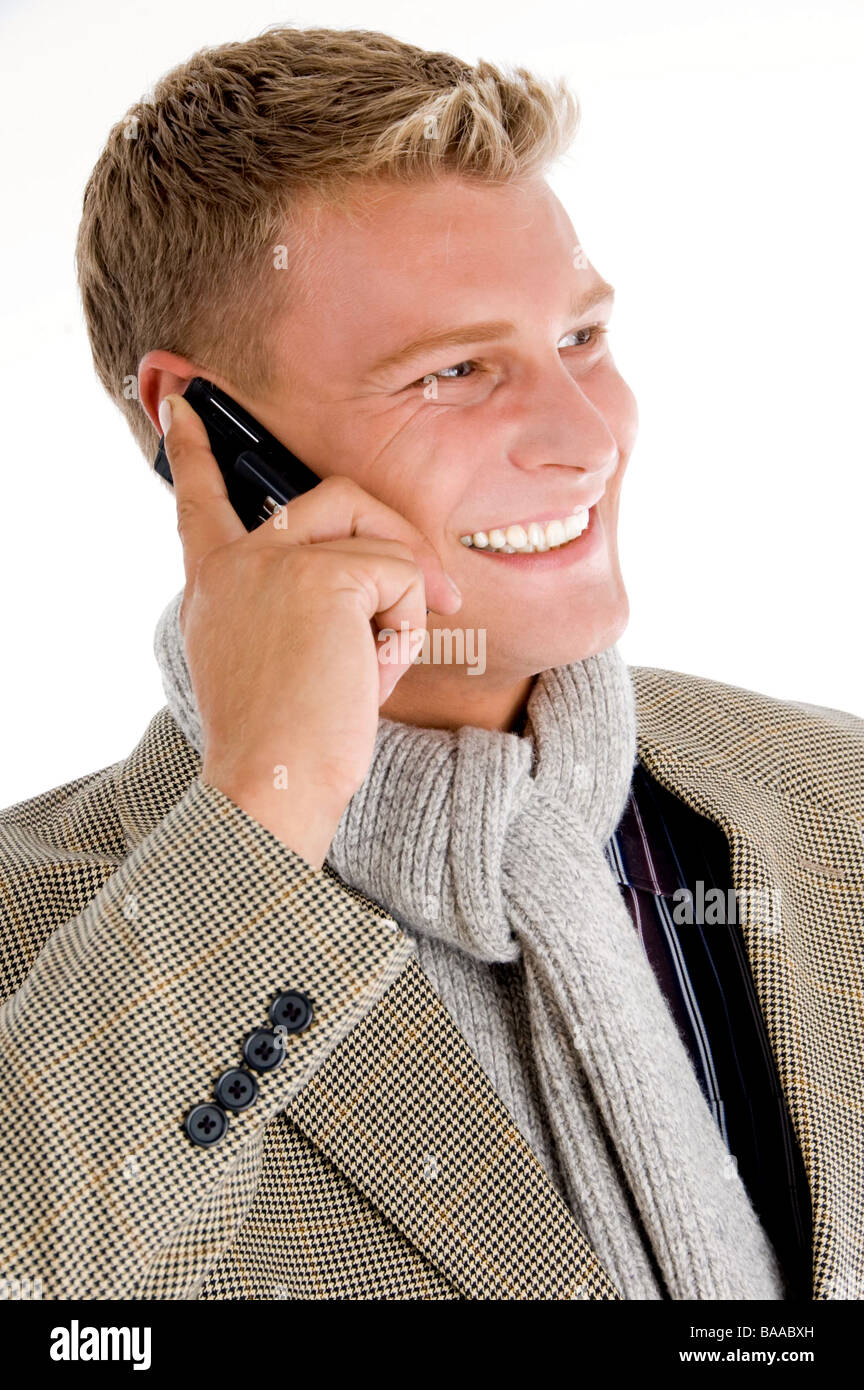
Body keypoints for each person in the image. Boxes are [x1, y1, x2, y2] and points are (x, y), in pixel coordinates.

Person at [1, 25, 861, 1303]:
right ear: (202, 427)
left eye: (579, 338)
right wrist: (267, 802)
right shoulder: (44, 939)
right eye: (455, 371)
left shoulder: (831, 798)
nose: (584, 441)